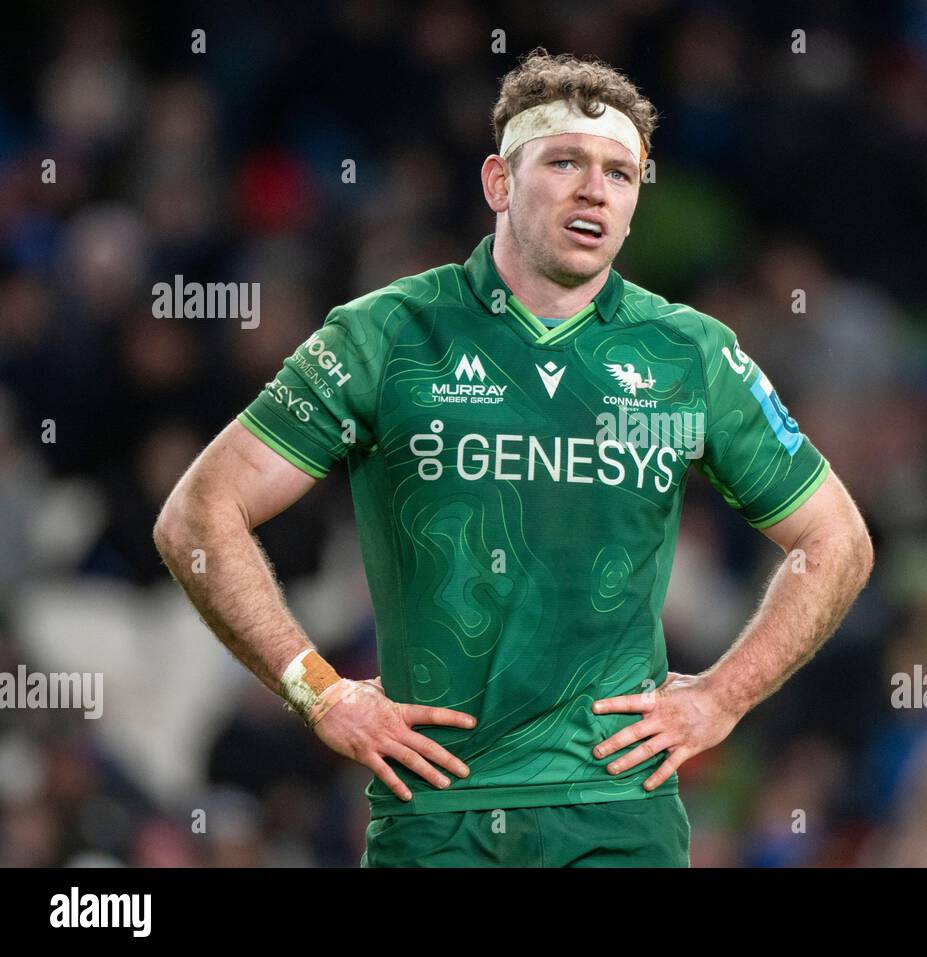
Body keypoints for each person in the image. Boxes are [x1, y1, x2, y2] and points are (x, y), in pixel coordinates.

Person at [153, 49, 873, 867]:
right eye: (564, 161)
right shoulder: (385, 335)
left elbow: (837, 539)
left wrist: (722, 697)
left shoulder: (690, 354)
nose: (594, 189)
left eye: (621, 173)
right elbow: (198, 514)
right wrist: (319, 691)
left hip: (618, 816)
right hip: (436, 818)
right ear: (498, 182)